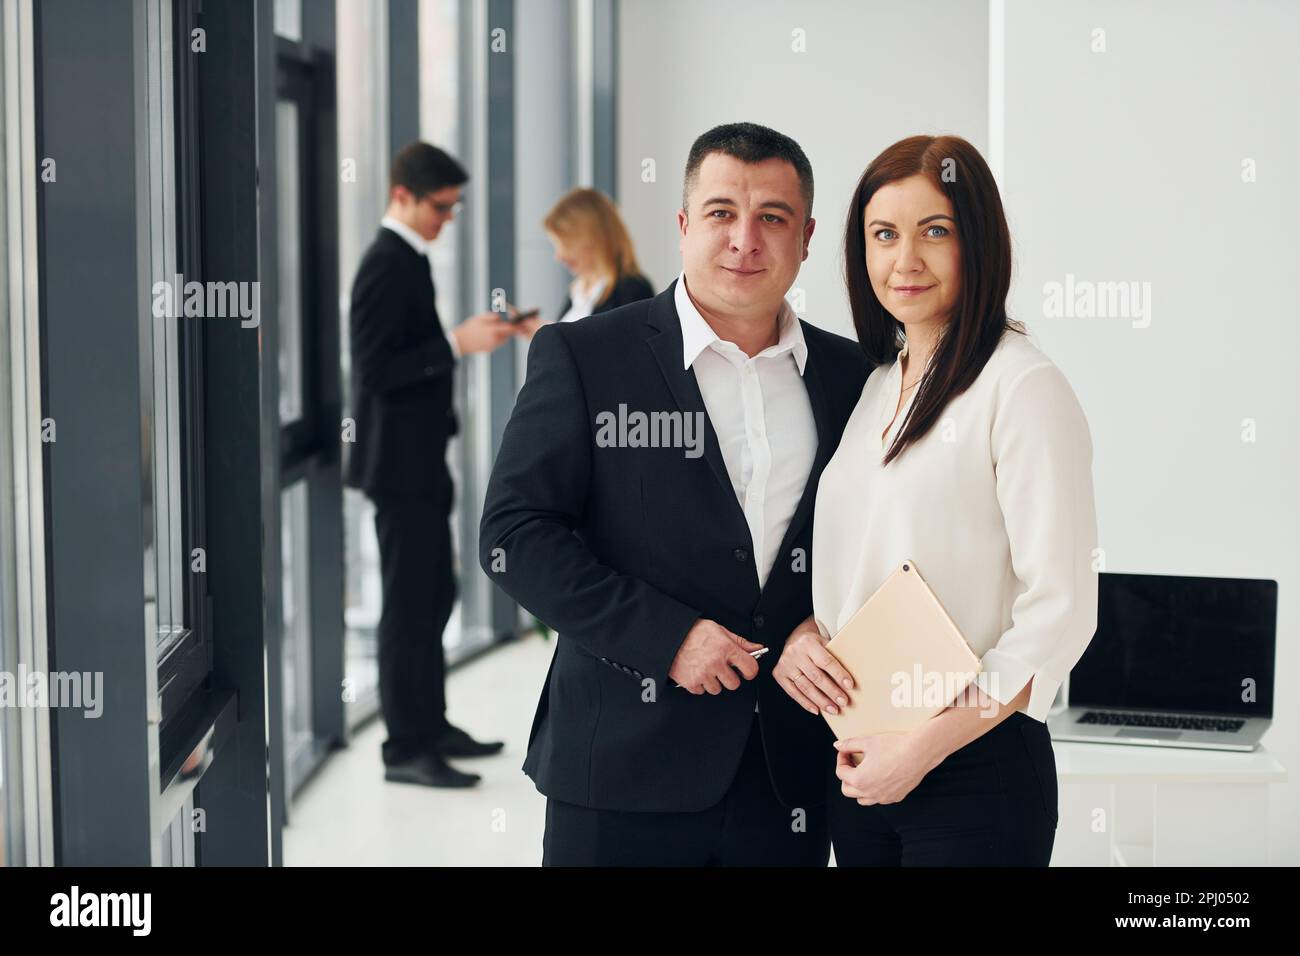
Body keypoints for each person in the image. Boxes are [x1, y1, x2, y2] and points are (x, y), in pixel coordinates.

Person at [479, 122, 870, 866]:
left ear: (808, 236)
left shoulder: (855, 377)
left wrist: (827, 623)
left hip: (787, 775)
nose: (744, 241)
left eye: (773, 218)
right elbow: (514, 535)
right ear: (686, 224)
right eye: (722, 213)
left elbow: (874, 540)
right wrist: (670, 639)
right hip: (620, 769)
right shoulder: (587, 356)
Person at [777, 134, 1098, 865]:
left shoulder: (1020, 386)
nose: (905, 261)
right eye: (883, 235)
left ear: (979, 243)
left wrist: (922, 748)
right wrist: (805, 635)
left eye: (936, 232)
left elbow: (1061, 611)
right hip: (863, 758)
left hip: (972, 767)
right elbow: (861, 560)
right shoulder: (876, 385)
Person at [346, 141, 524, 789]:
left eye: (453, 208)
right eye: (440, 208)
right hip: (399, 468)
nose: (447, 219)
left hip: (418, 461)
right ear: (403, 197)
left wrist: (460, 338)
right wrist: (456, 343)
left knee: (432, 595)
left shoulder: (407, 260)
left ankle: (431, 724)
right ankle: (406, 749)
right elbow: (374, 371)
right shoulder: (386, 263)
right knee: (408, 603)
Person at [542, 187, 654, 323]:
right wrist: (544, 333)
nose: (560, 256)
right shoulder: (577, 293)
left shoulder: (633, 291)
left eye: (567, 245)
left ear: (594, 238)